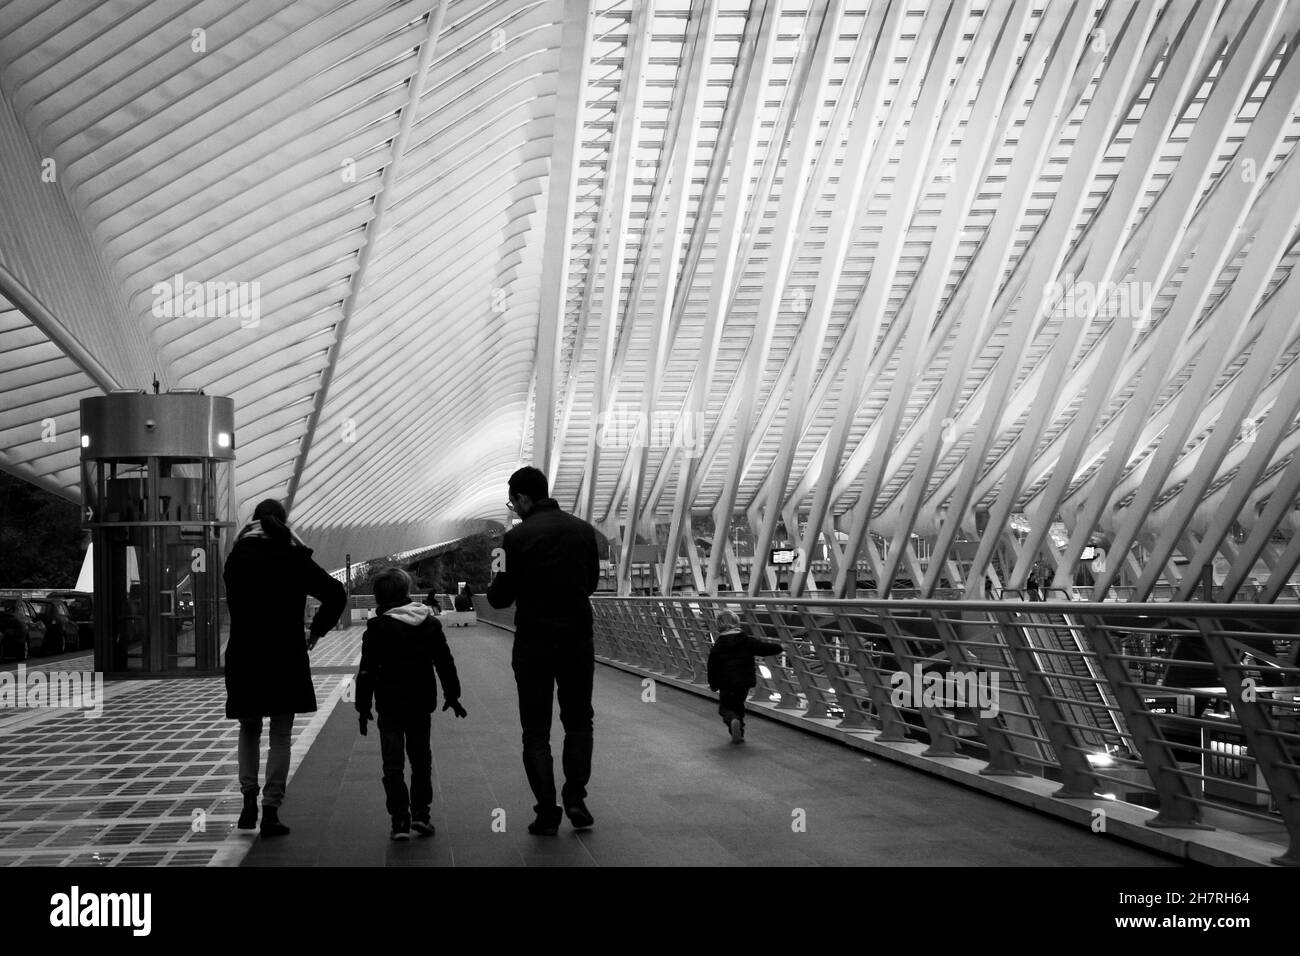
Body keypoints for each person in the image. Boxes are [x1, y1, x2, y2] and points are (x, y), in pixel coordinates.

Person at [486, 466, 601, 835]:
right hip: (577, 639)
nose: (513, 509)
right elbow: (592, 583)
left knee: (535, 730)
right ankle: (576, 798)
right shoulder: (584, 531)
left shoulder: (509, 542)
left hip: (534, 641)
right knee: (579, 721)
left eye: (513, 502)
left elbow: (500, 596)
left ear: (523, 498)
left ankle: (547, 812)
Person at [223, 498, 346, 837]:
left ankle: (248, 798)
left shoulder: (236, 558)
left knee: (249, 728)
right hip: (284, 655)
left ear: (254, 522)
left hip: (244, 654)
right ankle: (271, 809)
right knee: (280, 734)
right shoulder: (294, 557)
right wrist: (316, 630)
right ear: (284, 521)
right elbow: (336, 593)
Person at [356, 568, 466, 840]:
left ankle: (400, 820)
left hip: (389, 705)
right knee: (420, 760)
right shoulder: (428, 623)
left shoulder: (377, 628)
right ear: (406, 593)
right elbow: (444, 662)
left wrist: (362, 707)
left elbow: (367, 670)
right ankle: (421, 815)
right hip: (420, 703)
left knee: (392, 764)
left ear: (380, 597)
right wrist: (453, 695)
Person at [707, 609, 784, 744]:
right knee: (739, 706)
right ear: (737, 623)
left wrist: (713, 684)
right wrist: (780, 647)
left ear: (719, 626)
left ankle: (732, 720)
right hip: (744, 681)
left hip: (726, 682)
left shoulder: (718, 645)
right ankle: (739, 733)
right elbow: (763, 648)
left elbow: (712, 666)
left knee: (725, 708)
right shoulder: (746, 641)